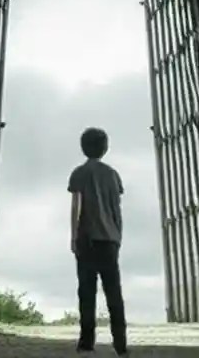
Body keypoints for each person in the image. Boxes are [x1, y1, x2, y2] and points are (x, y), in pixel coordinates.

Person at [68, 127, 128, 355]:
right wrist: (118, 235)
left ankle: (86, 342)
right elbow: (116, 207)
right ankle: (120, 343)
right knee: (114, 292)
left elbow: (77, 206)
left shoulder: (79, 173)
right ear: (105, 148)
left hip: (87, 239)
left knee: (86, 291)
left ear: (83, 147)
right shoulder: (113, 174)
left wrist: (73, 236)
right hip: (110, 239)